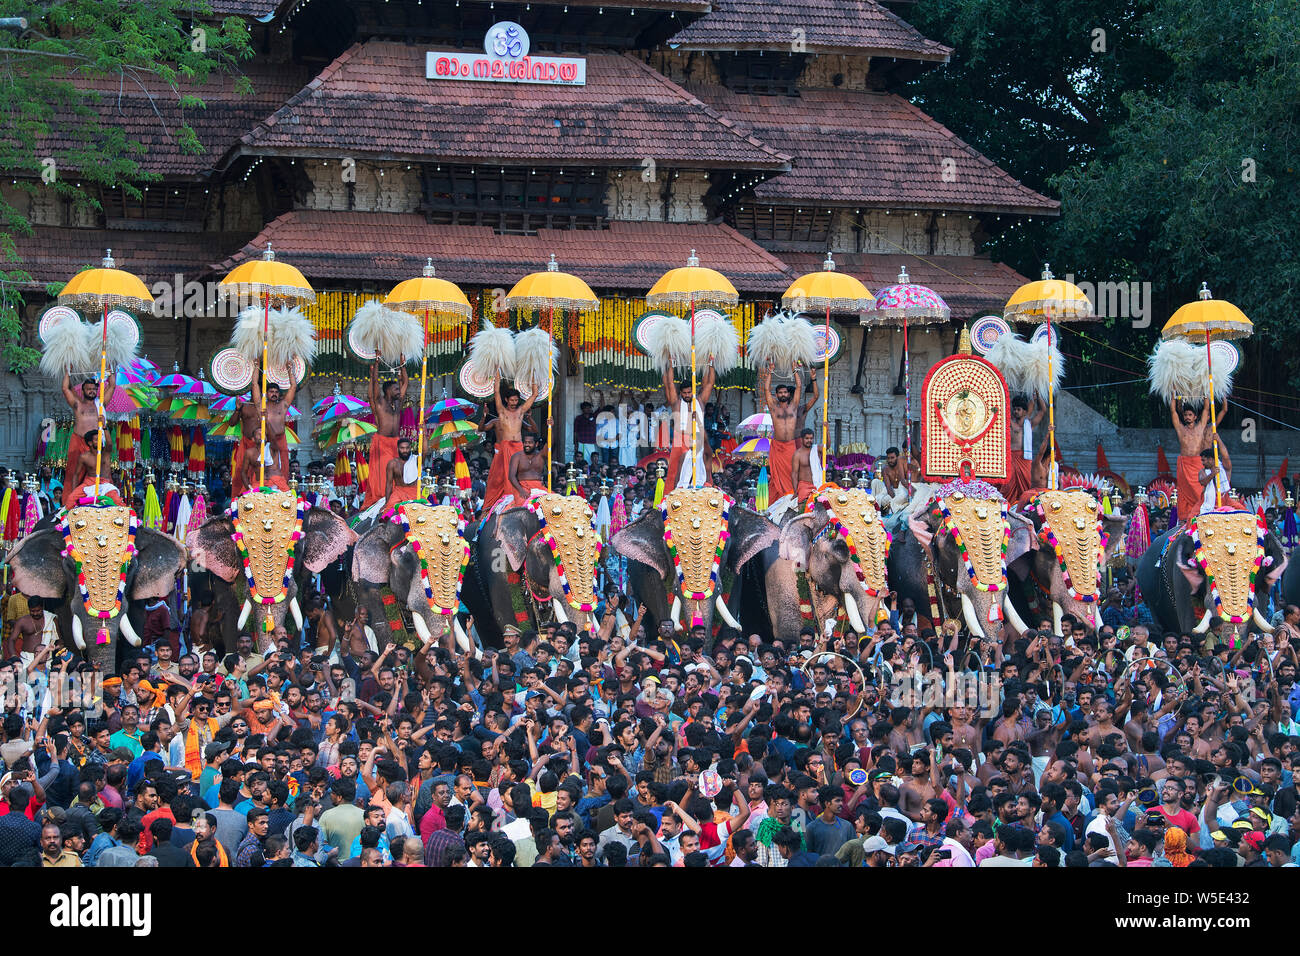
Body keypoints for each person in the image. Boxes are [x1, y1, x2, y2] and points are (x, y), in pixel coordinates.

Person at [760, 361, 817, 504]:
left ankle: (793, 498)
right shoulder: (773, 407)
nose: (783, 394)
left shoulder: (794, 407)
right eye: (780, 392)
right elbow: (766, 390)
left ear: (787, 394)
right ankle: (779, 502)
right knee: (777, 478)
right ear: (777, 395)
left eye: (785, 392)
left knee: (792, 473)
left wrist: (795, 370)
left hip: (790, 445)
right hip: (777, 446)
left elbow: (799, 386)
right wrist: (770, 372)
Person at [235, 373, 299, 497]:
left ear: (279, 394)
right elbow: (254, 385)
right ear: (266, 393)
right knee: (254, 468)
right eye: (271, 391)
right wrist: (255, 367)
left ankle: (279, 491)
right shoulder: (261, 406)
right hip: (262, 439)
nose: (274, 394)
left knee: (282, 471)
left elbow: (293, 387)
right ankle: (252, 489)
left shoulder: (283, 405)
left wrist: (290, 370)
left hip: (279, 440)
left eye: (276, 392)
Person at [482, 377, 537, 514]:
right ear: (506, 400)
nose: (514, 403)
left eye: (516, 400)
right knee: (506, 476)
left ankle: (523, 499)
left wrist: (534, 375)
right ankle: (509, 501)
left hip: (519, 446)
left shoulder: (521, 412)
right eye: (512, 400)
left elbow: (534, 395)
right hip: (505, 446)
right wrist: (497, 376)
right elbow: (496, 392)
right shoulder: (501, 412)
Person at [61, 372, 114, 508]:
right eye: (89, 389)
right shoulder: (77, 403)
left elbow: (112, 386)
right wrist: (67, 370)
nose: (92, 391)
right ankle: (69, 504)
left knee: (100, 472)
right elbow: (65, 388)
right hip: (78, 440)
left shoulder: (100, 404)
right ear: (83, 390)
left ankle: (104, 503)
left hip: (96, 443)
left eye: (94, 389)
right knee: (73, 473)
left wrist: (111, 370)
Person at [661, 363, 715, 492]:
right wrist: (670, 364)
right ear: (681, 393)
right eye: (684, 393)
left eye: (689, 392)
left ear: (693, 391)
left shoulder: (700, 401)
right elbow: (669, 383)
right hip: (681, 437)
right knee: (678, 467)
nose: (687, 395)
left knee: (703, 462)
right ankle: (677, 490)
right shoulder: (676, 403)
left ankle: (704, 486)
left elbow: (710, 383)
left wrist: (710, 364)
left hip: (698, 436)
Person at [363, 361, 409, 510]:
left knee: (398, 471)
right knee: (383, 473)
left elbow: (406, 382)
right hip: (381, 443)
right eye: (395, 389)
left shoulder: (398, 403)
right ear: (388, 390)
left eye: (398, 388)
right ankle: (381, 500)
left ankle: (394, 498)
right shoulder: (379, 402)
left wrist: (402, 365)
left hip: (395, 443)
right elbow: (375, 382)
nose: (398, 391)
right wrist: (375, 364)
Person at [1170, 397, 1222, 524]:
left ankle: (1202, 515)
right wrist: (1173, 394)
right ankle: (1184, 520)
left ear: (1195, 416)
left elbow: (1206, 408)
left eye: (1190, 415)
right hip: (1184, 464)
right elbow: (1173, 412)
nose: (1187, 417)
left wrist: (1205, 392)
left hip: (1197, 463)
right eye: (1185, 415)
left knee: (1200, 491)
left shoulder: (1201, 428)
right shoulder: (1180, 428)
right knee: (1183, 493)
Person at [1000, 395, 1045, 504]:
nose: (1016, 411)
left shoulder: (1029, 424)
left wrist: (1038, 396)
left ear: (1024, 412)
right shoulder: (1009, 423)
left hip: (1024, 459)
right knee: (1007, 485)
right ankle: (1007, 505)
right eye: (1014, 409)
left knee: (1027, 483)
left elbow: (1042, 411)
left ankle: (1025, 505)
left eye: (1018, 409)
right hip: (1010, 457)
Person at [508, 434, 548, 505]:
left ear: (536, 444)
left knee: (551, 502)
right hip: (522, 487)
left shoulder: (541, 455)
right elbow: (511, 476)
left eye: (530, 443)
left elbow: (550, 444)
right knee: (524, 505)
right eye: (525, 442)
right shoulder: (517, 456)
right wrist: (521, 490)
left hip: (538, 486)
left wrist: (551, 426)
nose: (527, 445)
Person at [383, 437, 420, 509]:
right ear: (397, 449)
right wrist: (387, 502)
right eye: (402, 448)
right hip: (398, 493)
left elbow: (424, 452)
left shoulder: (416, 460)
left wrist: (423, 434)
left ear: (410, 448)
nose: (405, 450)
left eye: (407, 448)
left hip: (414, 493)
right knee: (388, 511)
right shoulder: (392, 463)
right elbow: (389, 484)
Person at [791, 428, 820, 503]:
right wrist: (795, 491)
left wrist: (827, 431)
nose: (809, 440)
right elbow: (794, 473)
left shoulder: (816, 450)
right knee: (802, 505)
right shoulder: (798, 454)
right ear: (801, 439)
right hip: (804, 485)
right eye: (807, 438)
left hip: (818, 483)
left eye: (811, 438)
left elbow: (827, 446)